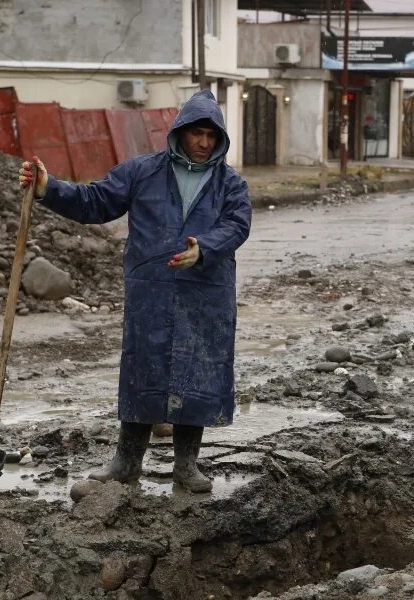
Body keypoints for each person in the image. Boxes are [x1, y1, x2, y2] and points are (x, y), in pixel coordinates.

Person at [18, 90, 252, 493]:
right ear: (181, 133)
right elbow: (95, 202)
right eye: (197, 134)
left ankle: (186, 466)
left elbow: (238, 225)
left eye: (212, 137)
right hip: (152, 292)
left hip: (205, 293)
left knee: (195, 373)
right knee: (144, 372)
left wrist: (205, 249)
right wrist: (48, 188)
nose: (204, 143)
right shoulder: (142, 172)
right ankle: (126, 465)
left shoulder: (230, 184)